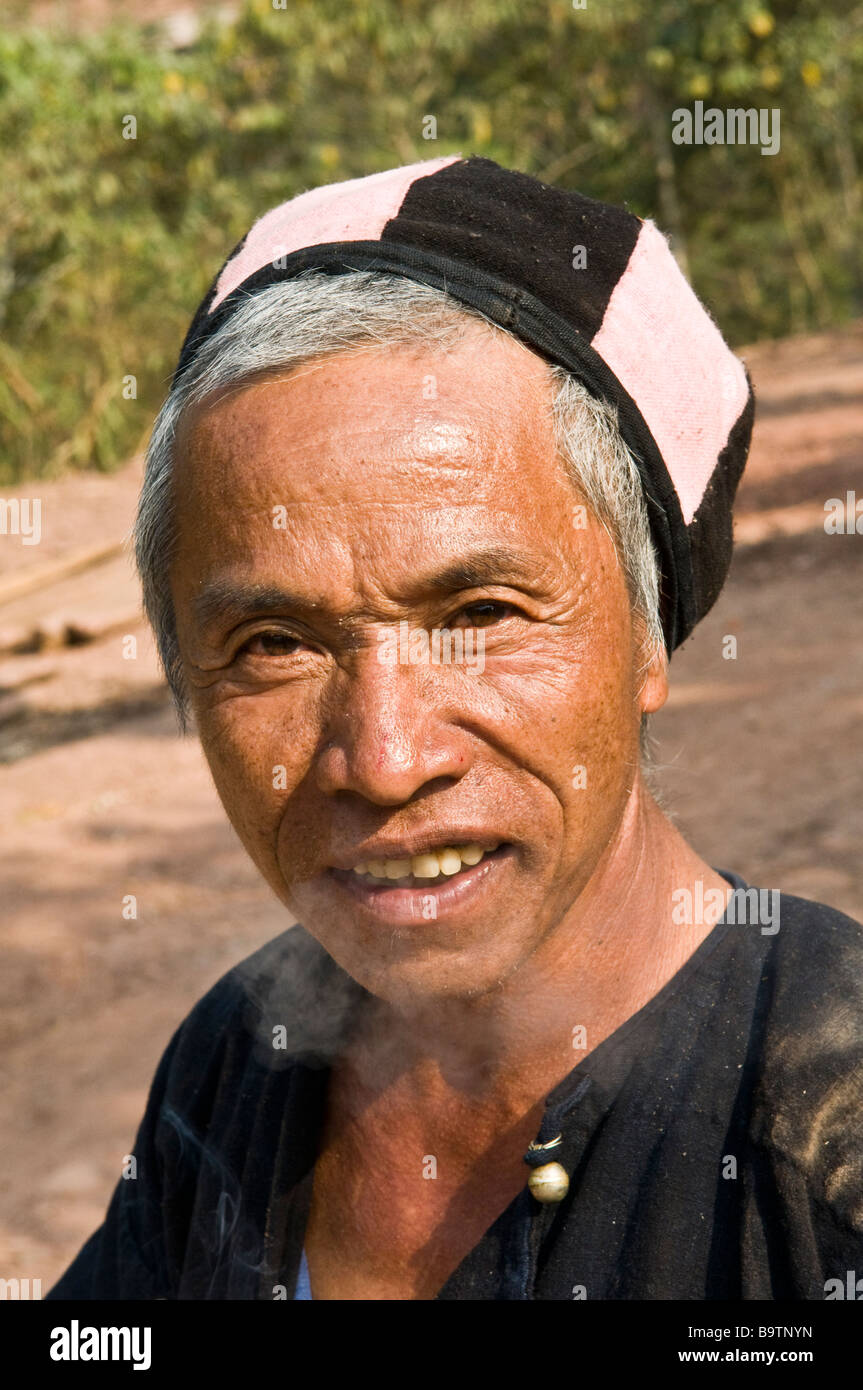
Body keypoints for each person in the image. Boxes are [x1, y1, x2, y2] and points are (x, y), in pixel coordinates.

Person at [47, 156, 863, 1301]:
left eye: (479, 614)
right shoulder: (236, 1057)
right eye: (274, 643)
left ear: (643, 636)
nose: (383, 760)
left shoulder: (824, 1152)